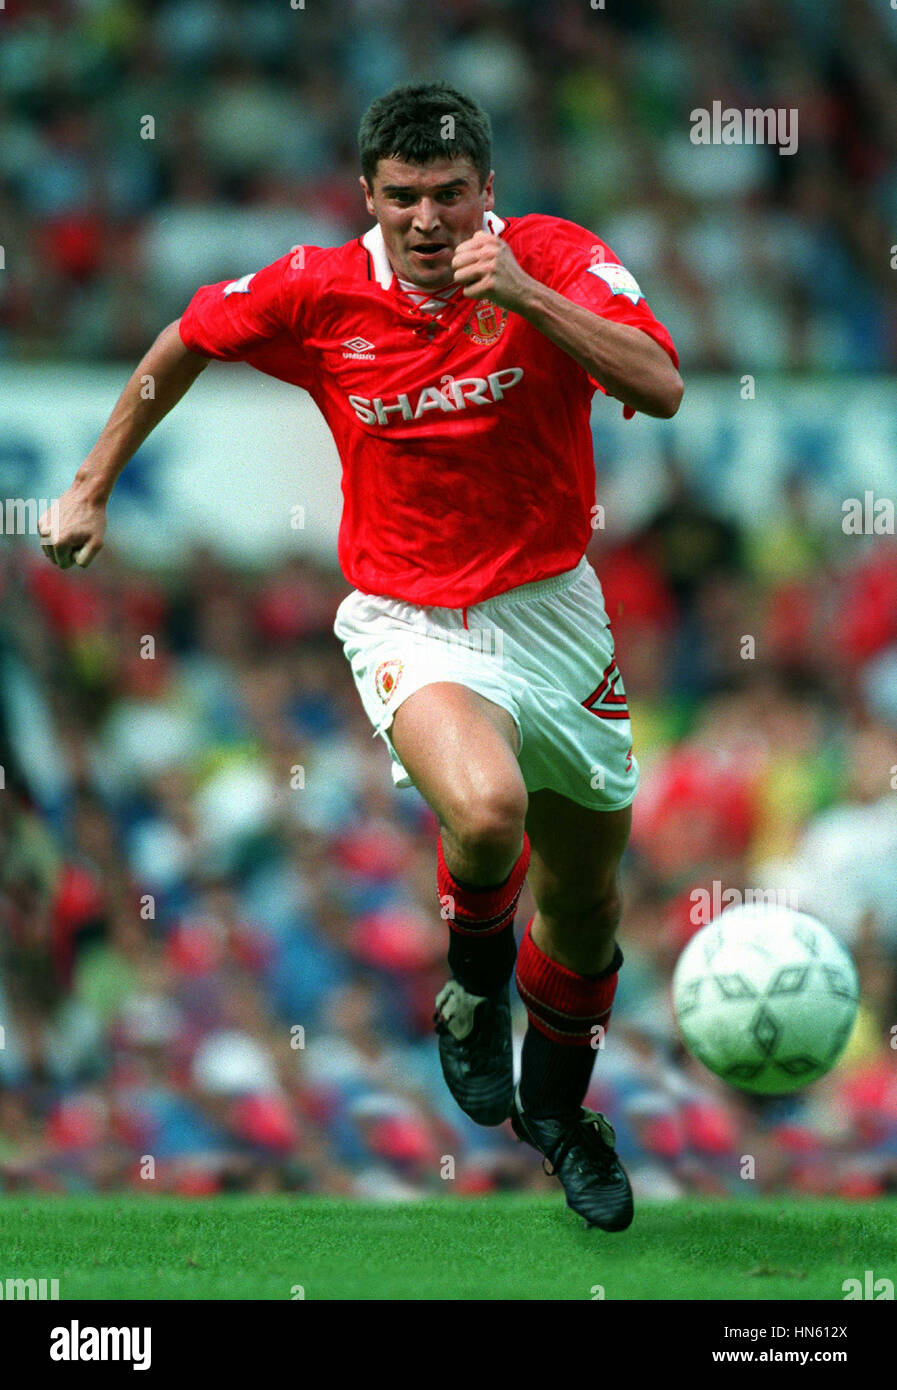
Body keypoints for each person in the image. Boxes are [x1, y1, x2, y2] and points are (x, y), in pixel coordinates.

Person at [40, 81, 682, 1230]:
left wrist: (529, 297)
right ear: (367, 198)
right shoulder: (316, 289)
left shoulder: (554, 258)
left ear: (488, 191)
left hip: (554, 611)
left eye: (448, 195)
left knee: (584, 905)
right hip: (406, 614)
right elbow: (181, 341)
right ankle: (477, 993)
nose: (427, 220)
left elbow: (661, 386)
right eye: (402, 200)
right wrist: (92, 482)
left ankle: (562, 1117)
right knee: (486, 813)